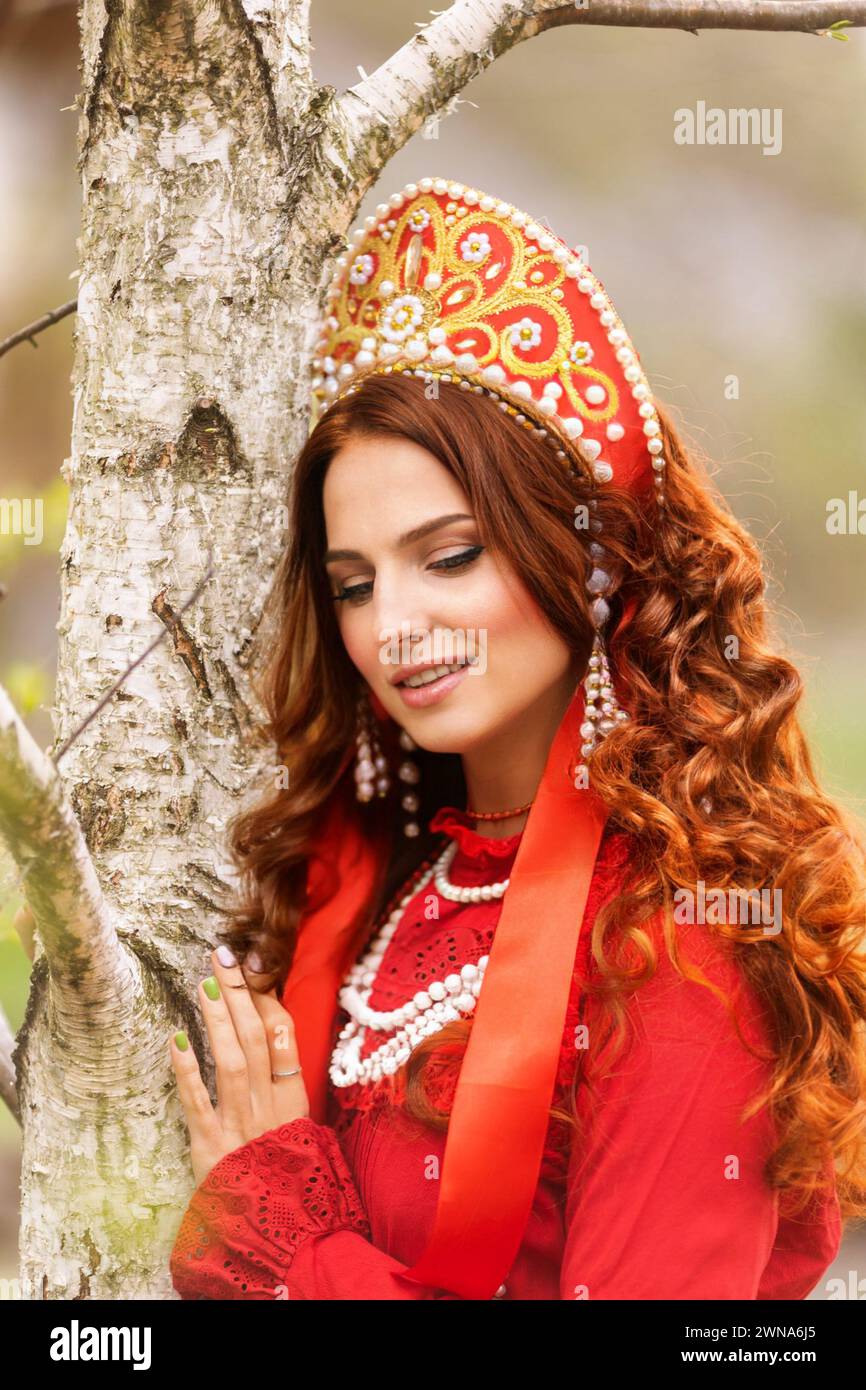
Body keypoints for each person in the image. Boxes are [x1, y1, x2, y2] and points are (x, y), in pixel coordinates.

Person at [167, 176, 866, 1300]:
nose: (393, 627)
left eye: (448, 557)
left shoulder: (672, 943)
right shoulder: (367, 889)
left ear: (580, 554)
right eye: (352, 585)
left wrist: (289, 1251)